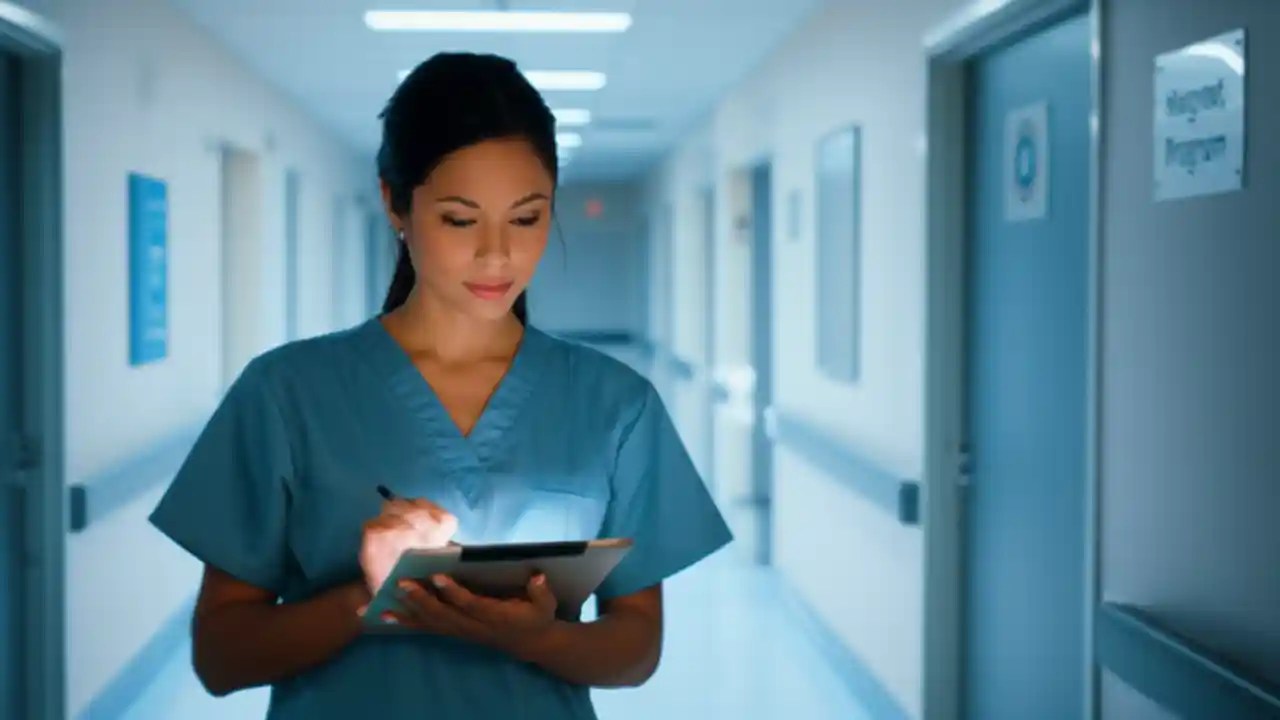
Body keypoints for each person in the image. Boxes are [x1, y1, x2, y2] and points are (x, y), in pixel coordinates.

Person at [148, 51, 732, 719]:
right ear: (394, 202)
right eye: (460, 219)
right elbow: (220, 658)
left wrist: (538, 637)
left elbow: (636, 650)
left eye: (527, 216)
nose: (497, 254)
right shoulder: (286, 394)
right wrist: (367, 596)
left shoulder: (615, 405)